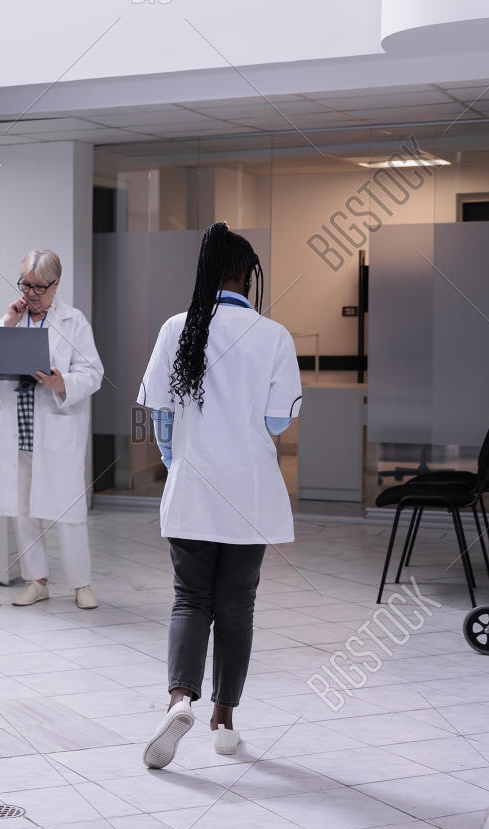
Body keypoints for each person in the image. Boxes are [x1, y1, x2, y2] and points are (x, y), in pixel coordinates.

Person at [137, 223, 301, 770]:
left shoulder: (176, 329)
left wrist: (177, 459)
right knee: (237, 606)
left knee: (190, 599)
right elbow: (278, 420)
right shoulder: (273, 335)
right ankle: (224, 722)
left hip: (192, 487)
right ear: (246, 276)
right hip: (250, 491)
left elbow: (160, 413)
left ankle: (179, 700)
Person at [0, 249, 104, 609]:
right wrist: (8, 321)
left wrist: (62, 383)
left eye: (38, 287)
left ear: (56, 285)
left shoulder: (73, 321)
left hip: (56, 429)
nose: (30, 293)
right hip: (17, 431)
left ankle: (81, 584)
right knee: (23, 509)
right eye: (25, 285)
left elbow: (93, 373)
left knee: (68, 510)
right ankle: (37, 580)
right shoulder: (14, 317)